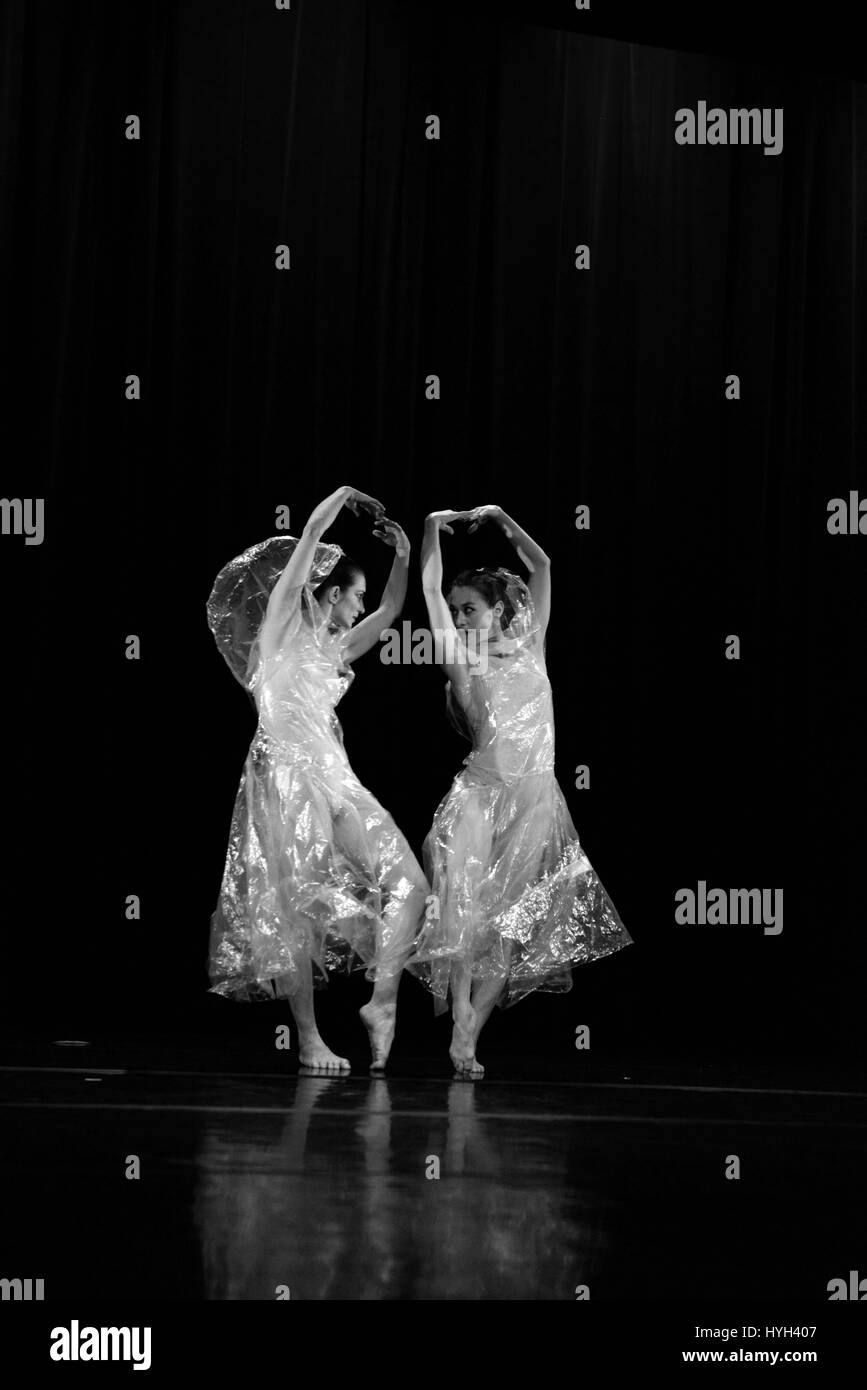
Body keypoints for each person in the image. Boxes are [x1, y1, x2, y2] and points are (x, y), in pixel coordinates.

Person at [206, 485, 430, 1073]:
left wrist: (404, 557)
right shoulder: (279, 632)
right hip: (287, 776)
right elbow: (309, 538)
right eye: (352, 595)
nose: (358, 607)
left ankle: (381, 1003)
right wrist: (345, 497)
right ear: (331, 594)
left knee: (411, 885)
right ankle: (309, 1040)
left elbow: (388, 612)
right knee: (298, 911)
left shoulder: (335, 648)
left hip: (336, 778)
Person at [407, 504, 633, 1076]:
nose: (459, 619)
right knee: (464, 907)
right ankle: (459, 1007)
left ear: (499, 609)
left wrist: (503, 519)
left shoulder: (533, 646)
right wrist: (431, 527)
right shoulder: (461, 663)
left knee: (511, 924)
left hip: (534, 800)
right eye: (456, 611)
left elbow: (543, 564)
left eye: (470, 609)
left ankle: (469, 1033)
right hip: (480, 795)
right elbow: (430, 592)